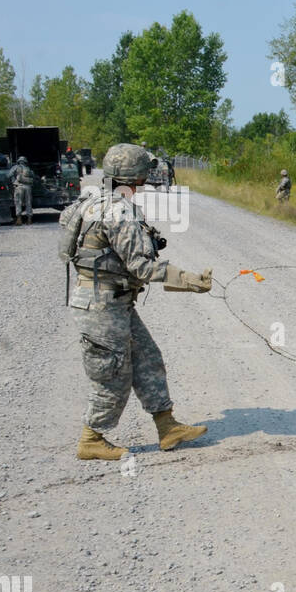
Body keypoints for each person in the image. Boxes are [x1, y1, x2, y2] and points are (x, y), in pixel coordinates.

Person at [65, 142, 213, 460]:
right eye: (144, 173)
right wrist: (189, 281)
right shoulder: (117, 210)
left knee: (147, 359)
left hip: (110, 301)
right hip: (103, 306)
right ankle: (91, 438)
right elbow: (142, 266)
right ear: (136, 176)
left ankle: (167, 427)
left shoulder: (91, 201)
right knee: (113, 374)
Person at [11, 156, 35, 224]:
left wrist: (13, 181)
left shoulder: (15, 167)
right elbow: (33, 176)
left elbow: (9, 175)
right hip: (28, 187)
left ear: (19, 161)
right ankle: (29, 219)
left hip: (19, 187)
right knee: (28, 202)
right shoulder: (28, 168)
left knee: (18, 203)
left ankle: (19, 219)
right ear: (25, 162)